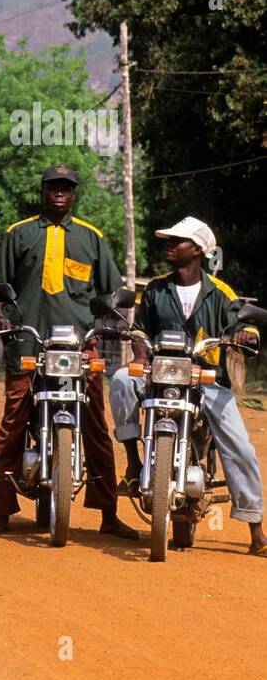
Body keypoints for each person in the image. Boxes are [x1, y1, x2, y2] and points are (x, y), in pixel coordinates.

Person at [0, 165, 137, 538]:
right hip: (26, 342)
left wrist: (117, 321)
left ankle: (108, 514)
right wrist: (0, 317)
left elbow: (113, 293)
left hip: (79, 346)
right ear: (43, 190)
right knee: (14, 421)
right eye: (53, 186)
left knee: (96, 426)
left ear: (74, 193)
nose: (59, 192)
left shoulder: (92, 238)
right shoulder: (18, 233)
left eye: (66, 187)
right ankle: (1, 513)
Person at [107, 216, 265, 556]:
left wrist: (244, 334)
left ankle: (256, 529)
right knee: (121, 380)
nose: (169, 244)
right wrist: (139, 358)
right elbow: (140, 331)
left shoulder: (220, 293)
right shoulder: (155, 289)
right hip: (159, 375)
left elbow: (245, 326)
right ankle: (134, 461)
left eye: (177, 241)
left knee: (240, 447)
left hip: (206, 381)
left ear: (197, 250)